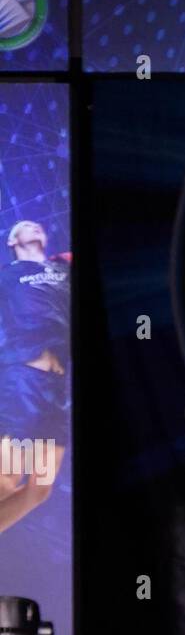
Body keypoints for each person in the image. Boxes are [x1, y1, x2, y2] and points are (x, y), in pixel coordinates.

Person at [0, 220, 70, 535]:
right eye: (25, 226)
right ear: (13, 241)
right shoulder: (7, 275)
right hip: (25, 381)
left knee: (40, 488)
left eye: (39, 226)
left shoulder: (63, 268)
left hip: (59, 389)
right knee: (5, 481)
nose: (35, 227)